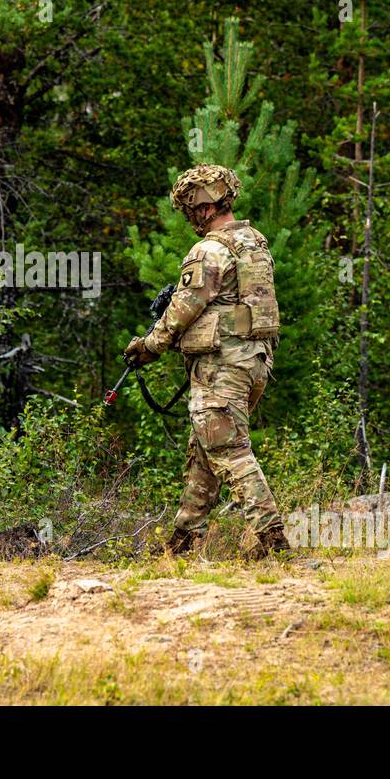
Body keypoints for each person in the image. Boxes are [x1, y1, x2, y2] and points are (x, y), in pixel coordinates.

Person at [124, 164, 288, 557]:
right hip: (254, 361)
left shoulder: (210, 249)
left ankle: (274, 541)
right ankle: (183, 542)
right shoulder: (255, 242)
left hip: (223, 367)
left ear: (202, 207)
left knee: (229, 451)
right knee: (205, 451)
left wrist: (150, 345)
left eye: (188, 209)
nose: (188, 218)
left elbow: (185, 306)